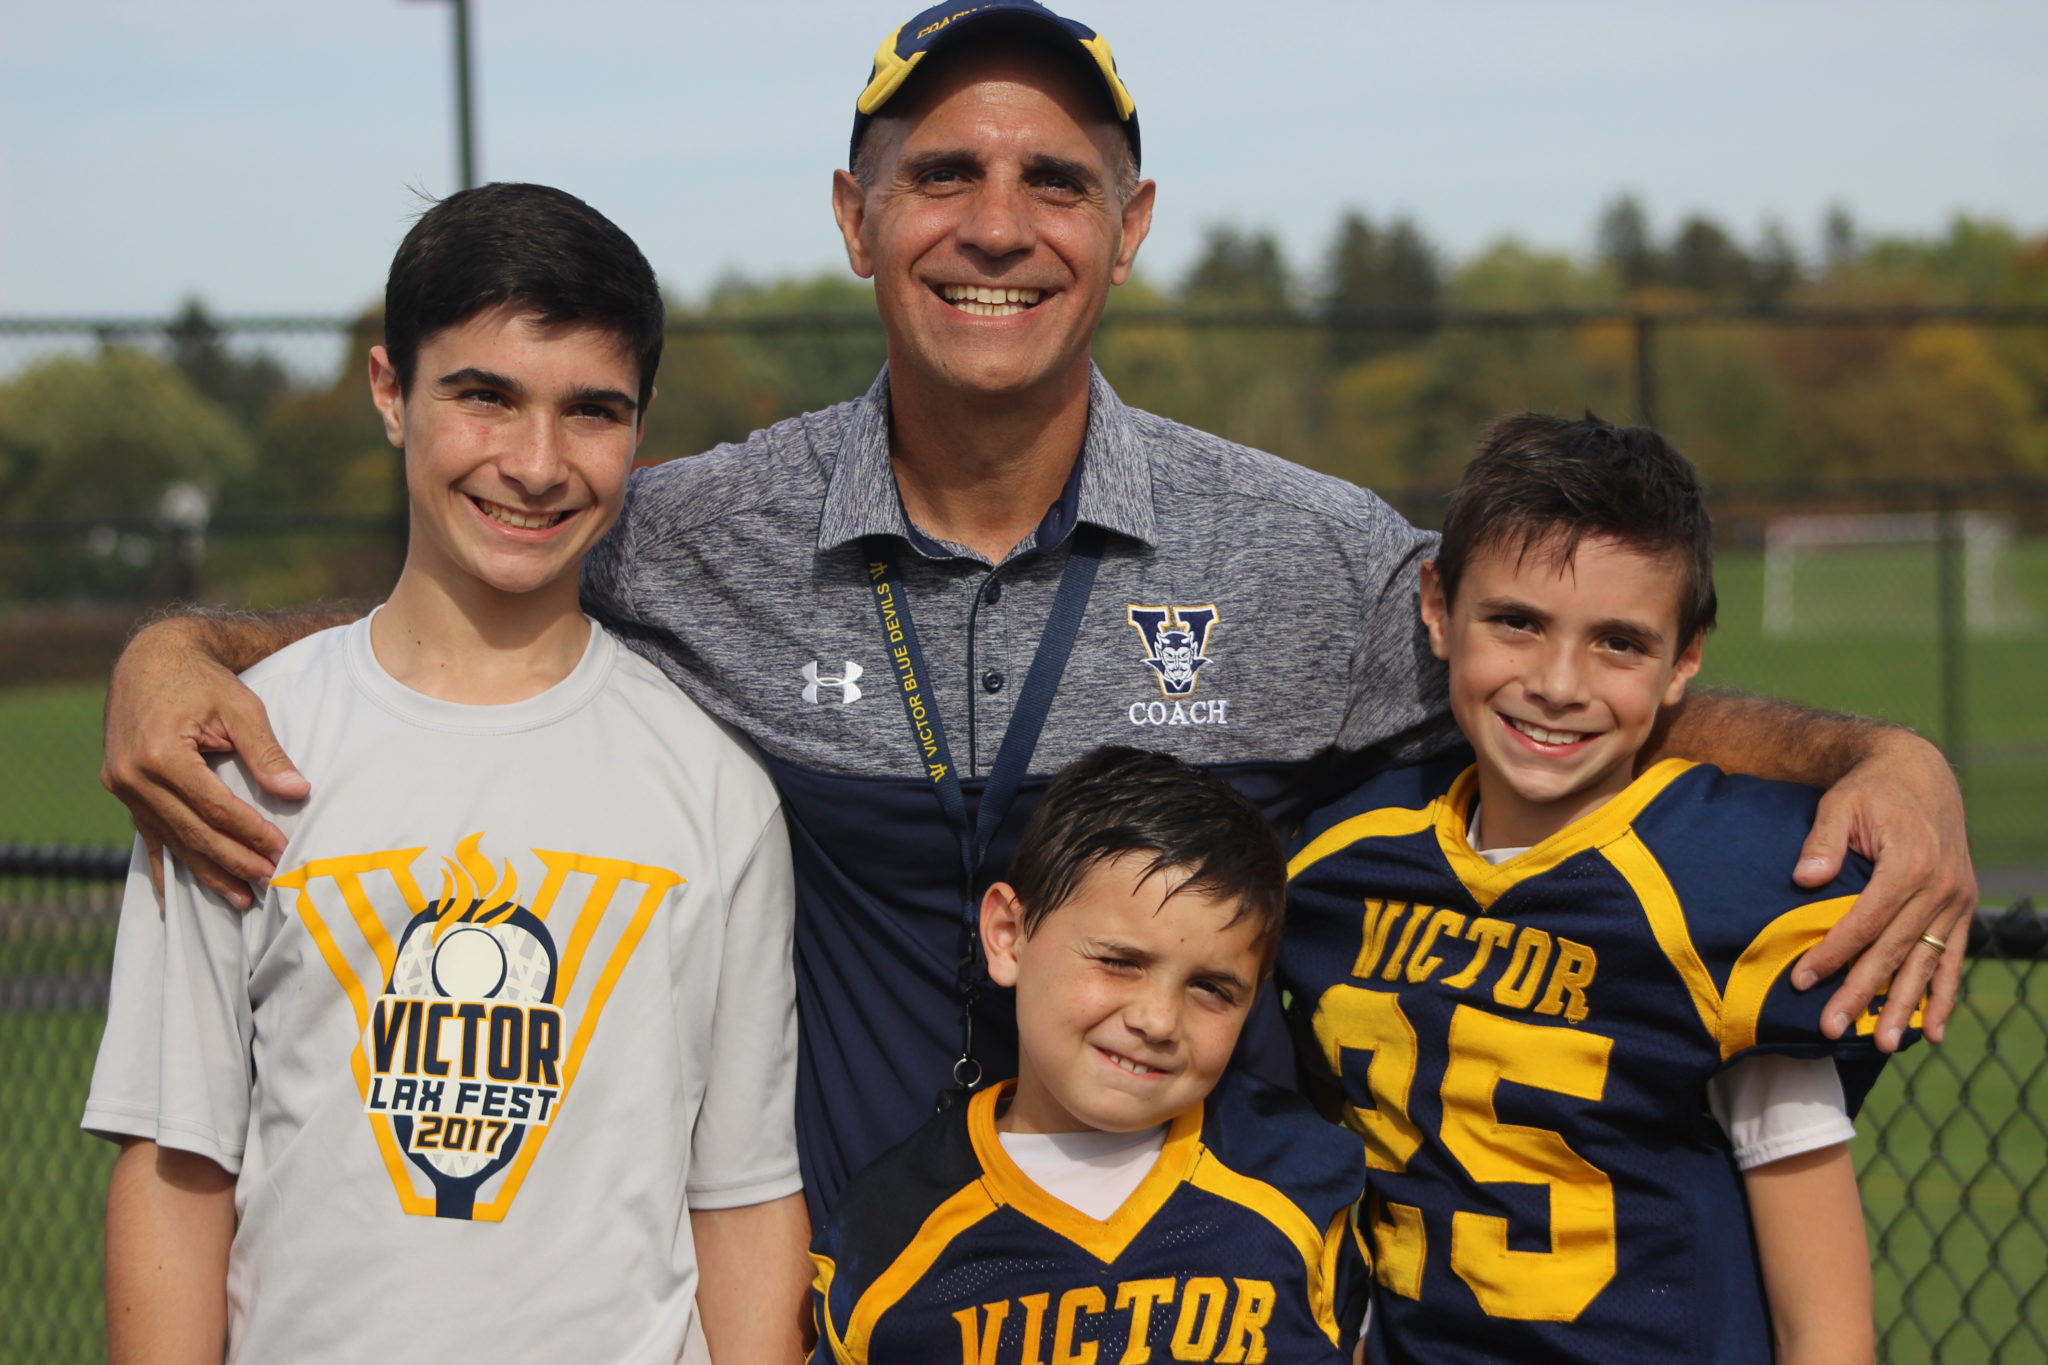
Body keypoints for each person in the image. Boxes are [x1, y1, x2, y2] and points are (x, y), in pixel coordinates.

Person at [99, 1, 1973, 1223]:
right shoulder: (692, 530)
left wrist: (1870, 755)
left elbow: (1556, 688)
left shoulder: (1309, 552)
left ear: (1130, 226)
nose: (996, 224)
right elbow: (436, 619)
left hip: (1202, 1318)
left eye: (1052, 181)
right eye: (944, 176)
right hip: (843, 1313)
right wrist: (173, 652)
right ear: (855, 215)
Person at [81, 183, 809, 1364]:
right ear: (390, 391)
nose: (535, 462)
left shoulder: (712, 786)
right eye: (484, 397)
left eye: (591, 412)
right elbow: (178, 1168)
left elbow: (740, 1197)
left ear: (642, 422)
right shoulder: (237, 754)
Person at [1282, 413, 1918, 1364]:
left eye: (1619, 642)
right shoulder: (1338, 861)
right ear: (1437, 605)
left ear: (1686, 658)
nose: (1558, 682)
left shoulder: (1731, 893)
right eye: (1517, 622)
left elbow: (1823, 1326)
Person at [812, 746, 1369, 1364]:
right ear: (1007, 936)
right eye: (1119, 962)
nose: (1157, 1020)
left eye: (1211, 988)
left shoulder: (1306, 1179)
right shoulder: (888, 1232)